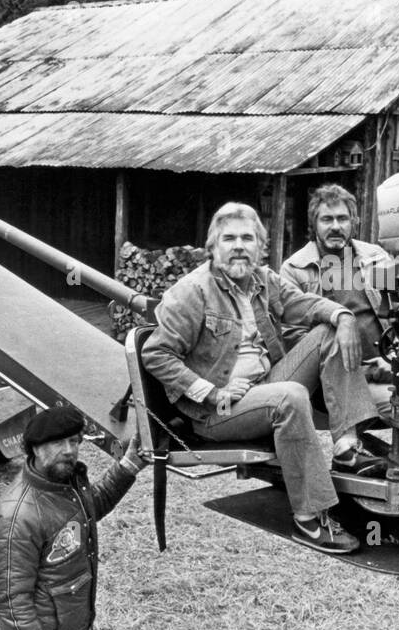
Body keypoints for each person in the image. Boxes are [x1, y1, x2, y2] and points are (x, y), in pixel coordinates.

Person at [143, 202, 382, 555]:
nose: (239, 246)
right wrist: (211, 391)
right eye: (229, 238)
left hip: (264, 385)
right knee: (290, 396)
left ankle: (346, 448)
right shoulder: (192, 291)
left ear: (260, 246)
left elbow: (308, 304)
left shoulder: (263, 280)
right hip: (217, 410)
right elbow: (155, 354)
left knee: (329, 331)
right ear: (213, 247)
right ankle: (310, 518)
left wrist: (344, 316)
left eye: (247, 238)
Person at [0, 405, 148, 630]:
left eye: (74, 441)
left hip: (77, 628)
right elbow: (12, 600)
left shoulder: (65, 483)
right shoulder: (16, 516)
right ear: (34, 448)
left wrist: (128, 467)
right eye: (58, 443)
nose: (69, 450)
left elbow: (90, 508)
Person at [280, 183, 395, 420]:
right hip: (332, 382)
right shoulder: (295, 269)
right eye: (326, 219)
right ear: (314, 224)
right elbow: (293, 340)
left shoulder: (376, 258)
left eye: (342, 218)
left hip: (388, 367)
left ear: (354, 222)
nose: (335, 226)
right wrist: (365, 370)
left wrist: (396, 361)